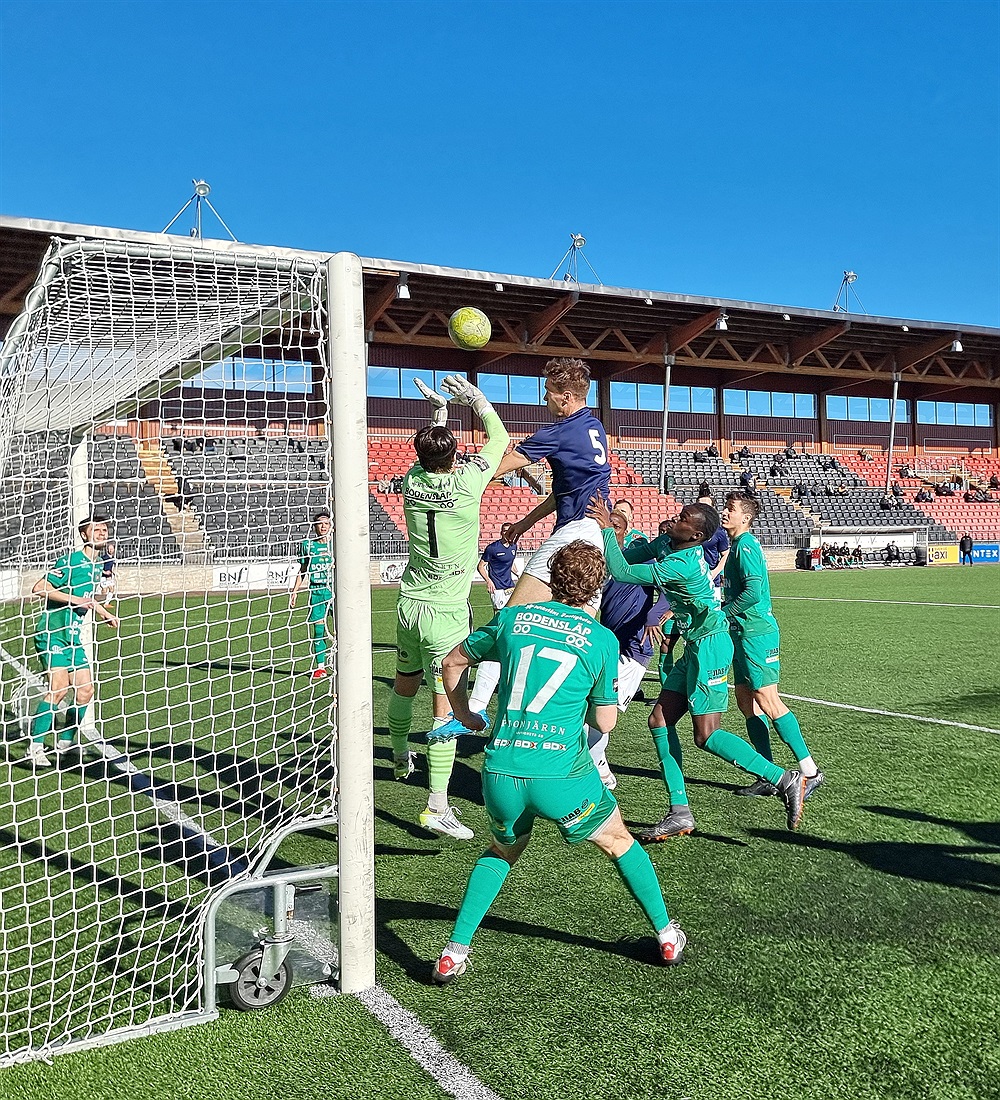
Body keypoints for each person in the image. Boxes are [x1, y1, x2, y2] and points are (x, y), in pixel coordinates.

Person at [433, 541, 686, 984]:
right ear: (599, 587)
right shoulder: (603, 641)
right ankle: (666, 935)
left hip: (501, 774)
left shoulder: (513, 619)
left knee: (503, 850)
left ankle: (455, 950)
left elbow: (451, 661)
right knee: (619, 840)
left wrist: (464, 713)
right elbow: (604, 722)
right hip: (560, 775)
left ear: (551, 575)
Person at [588, 496, 809, 839]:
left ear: (695, 536)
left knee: (705, 735)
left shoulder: (685, 564)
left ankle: (785, 778)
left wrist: (605, 529)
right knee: (659, 720)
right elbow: (627, 558)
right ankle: (680, 812)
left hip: (711, 646)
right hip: (695, 644)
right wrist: (614, 536)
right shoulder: (669, 543)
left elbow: (623, 572)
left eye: (684, 518)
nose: (675, 519)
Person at [387, 375, 510, 840]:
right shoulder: (467, 482)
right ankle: (437, 804)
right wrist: (475, 400)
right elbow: (499, 438)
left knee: (405, 682)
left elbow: (433, 452)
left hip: (409, 604)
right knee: (447, 707)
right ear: (455, 455)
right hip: (446, 613)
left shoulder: (411, 481)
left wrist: (438, 416)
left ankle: (400, 752)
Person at [460, 357, 611, 719]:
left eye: (549, 394)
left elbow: (508, 462)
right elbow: (565, 491)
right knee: (579, 630)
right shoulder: (594, 426)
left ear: (566, 396)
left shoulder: (559, 431)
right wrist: (524, 524)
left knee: (511, 620)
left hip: (575, 532)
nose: (544, 400)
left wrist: (463, 480)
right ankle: (584, 725)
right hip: (595, 535)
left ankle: (474, 710)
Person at [719, 493, 825, 800]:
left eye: (730, 509)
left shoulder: (747, 545)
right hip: (740, 632)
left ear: (746, 518)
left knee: (767, 699)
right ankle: (768, 773)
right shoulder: (736, 545)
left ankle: (810, 772)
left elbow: (753, 592)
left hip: (756, 633)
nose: (724, 512)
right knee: (745, 700)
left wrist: (721, 614)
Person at [27, 515, 120, 766]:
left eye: (104, 529)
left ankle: (65, 742)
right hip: (52, 633)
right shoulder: (70, 562)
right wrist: (74, 600)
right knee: (59, 688)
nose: (102, 533)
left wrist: (104, 613)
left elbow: (87, 598)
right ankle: (35, 747)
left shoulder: (98, 565)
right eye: (96, 529)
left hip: (73, 637)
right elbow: (40, 587)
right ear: (83, 534)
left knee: (86, 690)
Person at [587, 511, 670, 790]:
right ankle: (596, 764)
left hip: (634, 649)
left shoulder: (638, 558)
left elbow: (669, 588)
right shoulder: (596, 562)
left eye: (615, 527)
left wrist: (653, 615)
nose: (607, 530)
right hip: (607, 646)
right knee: (590, 707)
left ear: (624, 531)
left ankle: (596, 768)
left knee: (601, 710)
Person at [290, 512, 336, 680]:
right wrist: (295, 591)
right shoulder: (308, 545)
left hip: (335, 591)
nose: (323, 526)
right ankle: (320, 667)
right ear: (314, 526)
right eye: (320, 523)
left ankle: (343, 662)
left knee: (342, 629)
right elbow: (302, 570)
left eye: (326, 523)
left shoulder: (337, 545)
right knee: (318, 629)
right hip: (316, 591)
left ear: (331, 526)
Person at [477, 523, 521, 610]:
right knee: (499, 613)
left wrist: (518, 574)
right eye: (505, 531)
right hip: (497, 587)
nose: (507, 533)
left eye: (510, 531)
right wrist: (488, 581)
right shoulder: (492, 548)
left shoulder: (514, 546)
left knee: (512, 612)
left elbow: (510, 563)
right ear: (501, 533)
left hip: (510, 586)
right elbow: (480, 566)